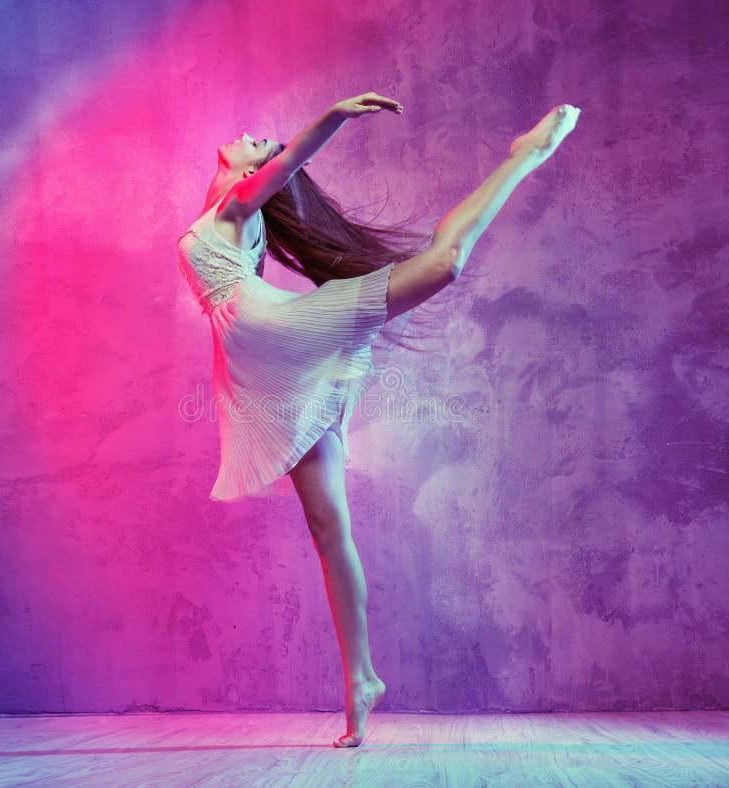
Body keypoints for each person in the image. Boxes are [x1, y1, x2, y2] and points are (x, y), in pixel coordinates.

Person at [177, 93, 580, 747]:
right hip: (270, 371)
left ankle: (522, 157)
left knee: (443, 264)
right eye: (254, 137)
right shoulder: (228, 220)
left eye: (261, 143)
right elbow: (234, 298)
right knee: (328, 529)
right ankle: (360, 680)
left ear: (258, 168)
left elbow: (286, 163)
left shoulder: (235, 206)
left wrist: (332, 116)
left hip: (289, 335)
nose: (252, 134)